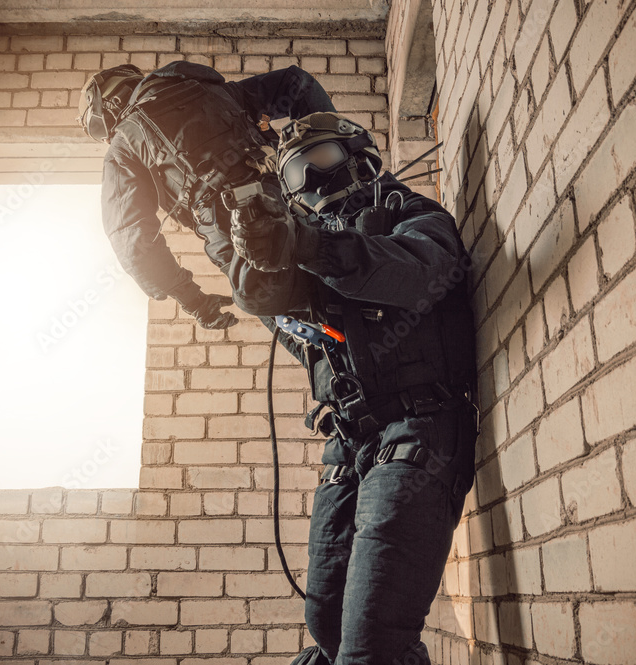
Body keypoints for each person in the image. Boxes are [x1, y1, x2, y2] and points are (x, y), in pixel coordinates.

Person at [226, 112, 479, 665]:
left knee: (372, 642)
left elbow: (416, 272)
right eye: (295, 173)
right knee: (326, 628)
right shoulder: (310, 247)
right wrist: (257, 241)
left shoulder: (409, 213)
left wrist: (309, 246)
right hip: (349, 446)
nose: (310, 180)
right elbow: (270, 303)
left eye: (320, 160)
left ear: (360, 157)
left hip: (420, 429)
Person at [76, 61, 335, 329]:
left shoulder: (124, 146)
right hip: (303, 200)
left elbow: (131, 239)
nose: (107, 139)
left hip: (244, 239)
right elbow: (297, 83)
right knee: (351, 264)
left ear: (108, 106)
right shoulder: (212, 90)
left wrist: (195, 302)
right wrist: (328, 160)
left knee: (288, 318)